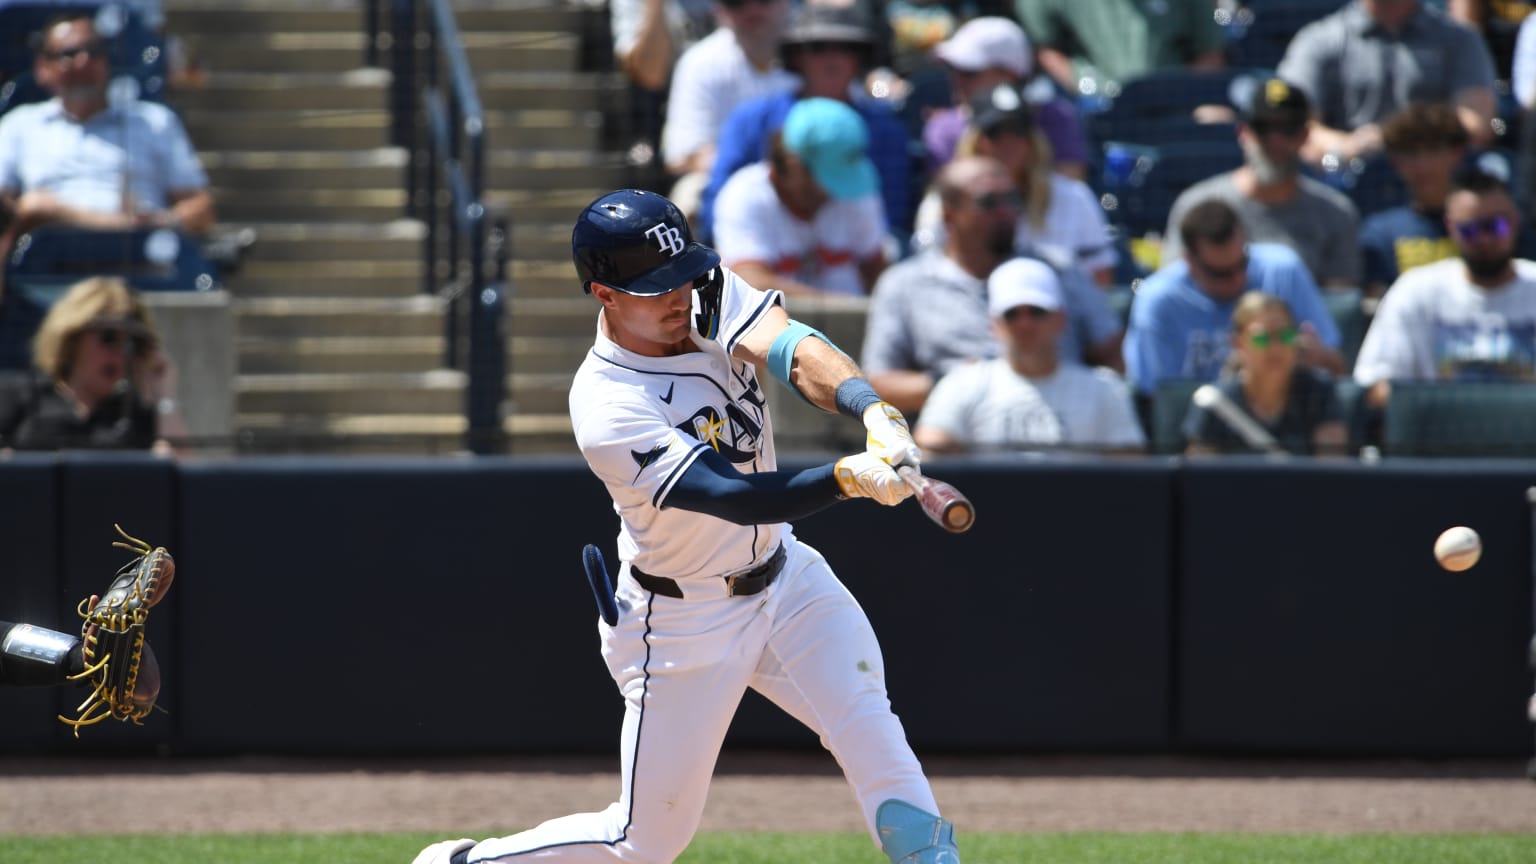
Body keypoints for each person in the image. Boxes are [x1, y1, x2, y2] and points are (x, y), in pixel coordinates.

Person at [411, 189, 960, 864]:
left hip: (788, 582)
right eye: (653, 287)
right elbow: (730, 495)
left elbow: (791, 347)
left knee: (871, 730)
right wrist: (846, 479)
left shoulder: (703, 292)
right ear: (604, 294)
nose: (678, 296)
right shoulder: (608, 403)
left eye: (683, 274)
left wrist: (870, 408)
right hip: (682, 619)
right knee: (645, 842)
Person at [863, 155, 1121, 415]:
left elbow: (1113, 355)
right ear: (950, 214)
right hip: (956, 440)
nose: (1005, 212)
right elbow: (880, 383)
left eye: (1011, 200)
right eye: (988, 203)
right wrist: (961, 386)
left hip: (1063, 431)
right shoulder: (904, 284)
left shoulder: (1060, 271)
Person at [0, 12, 216, 292]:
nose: (83, 62)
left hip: (139, 267)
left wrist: (162, 221)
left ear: (107, 62)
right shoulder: (19, 124)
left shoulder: (154, 121)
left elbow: (202, 209)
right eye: (69, 53)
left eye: (93, 51)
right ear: (43, 67)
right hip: (47, 273)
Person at [698, 0, 913, 241]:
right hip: (764, 251)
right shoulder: (751, 120)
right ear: (797, 57)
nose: (832, 58)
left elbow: (892, 223)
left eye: (845, 48)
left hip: (850, 259)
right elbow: (717, 208)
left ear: (859, 58)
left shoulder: (887, 130)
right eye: (818, 47)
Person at [914, 257, 1145, 454]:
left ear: (1060, 319)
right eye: (1012, 314)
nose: (1025, 324)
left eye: (1036, 312)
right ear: (995, 325)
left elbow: (1130, 474)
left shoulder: (1105, 390)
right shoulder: (962, 384)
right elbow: (930, 456)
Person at [1124, 199, 1346, 399]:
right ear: (1190, 262)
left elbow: (1337, 368)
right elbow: (1158, 399)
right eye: (1220, 273)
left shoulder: (1282, 271)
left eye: (1243, 264)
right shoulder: (1159, 300)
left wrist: (1320, 359)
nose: (1238, 279)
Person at [1354, 165, 1536, 408]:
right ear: (1451, 227)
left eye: (1495, 227)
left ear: (1515, 222)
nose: (1483, 239)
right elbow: (1376, 384)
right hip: (1439, 440)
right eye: (1469, 230)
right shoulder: (1415, 290)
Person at [1160, 77, 1362, 290]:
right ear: (1243, 132)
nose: (1276, 141)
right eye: (1263, 127)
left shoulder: (1336, 214)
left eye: (1288, 128)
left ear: (1305, 135)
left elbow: (1339, 306)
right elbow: (1174, 293)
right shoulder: (1198, 206)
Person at [912, 83, 1118, 287]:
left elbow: (1099, 276)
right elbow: (928, 270)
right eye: (995, 133)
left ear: (1032, 140)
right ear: (975, 140)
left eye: (1017, 130)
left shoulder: (1074, 195)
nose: (1007, 142)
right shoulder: (946, 200)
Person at [1277, 0, 1498, 167]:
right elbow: (1295, 128)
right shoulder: (1319, 40)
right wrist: (1351, 145)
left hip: (1435, 181)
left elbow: (1476, 124)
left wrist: (1402, 138)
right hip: (1350, 179)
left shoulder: (1460, 39)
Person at [711, 97, 888, 296]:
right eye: (831, 176)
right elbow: (751, 284)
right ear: (794, 165)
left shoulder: (858, 192)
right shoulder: (744, 194)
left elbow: (878, 273)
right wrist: (839, 311)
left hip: (855, 324)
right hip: (776, 326)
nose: (835, 191)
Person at [0, 276, 185, 454]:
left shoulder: (133, 416)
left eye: (133, 343)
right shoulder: (21, 397)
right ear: (73, 337)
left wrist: (164, 396)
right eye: (109, 338)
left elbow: (174, 471)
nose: (120, 353)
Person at [659, 0, 797, 222]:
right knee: (688, 195)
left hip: (807, 176)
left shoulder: (816, 51)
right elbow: (684, 156)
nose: (752, 10)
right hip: (727, 178)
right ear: (718, 9)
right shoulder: (700, 61)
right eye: (736, 2)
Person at [920, 16, 1089, 180]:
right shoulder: (942, 129)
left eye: (969, 73)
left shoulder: (1056, 117)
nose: (957, 81)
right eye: (953, 70)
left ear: (1009, 74)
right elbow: (950, 200)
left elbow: (1070, 187)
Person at [1182, 291, 1347, 456]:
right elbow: (1200, 478)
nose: (1276, 348)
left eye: (1286, 336)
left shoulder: (1319, 392)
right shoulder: (1213, 404)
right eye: (1262, 339)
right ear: (1238, 343)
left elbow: (1331, 471)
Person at [1013, 0, 1226, 97]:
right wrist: (1085, 86)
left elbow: (1209, 52)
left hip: (1173, 105)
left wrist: (1189, 97)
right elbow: (1046, 48)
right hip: (1097, 106)